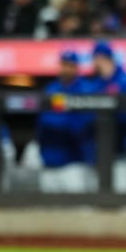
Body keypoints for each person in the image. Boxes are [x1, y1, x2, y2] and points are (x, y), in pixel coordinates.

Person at [35, 50, 98, 193]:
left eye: (70, 65)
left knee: (80, 211)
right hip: (49, 163)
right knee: (48, 212)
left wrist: (60, 118)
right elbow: (43, 121)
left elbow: (80, 125)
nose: (66, 69)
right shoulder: (52, 89)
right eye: (63, 64)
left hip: (75, 164)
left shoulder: (86, 89)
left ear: (77, 67)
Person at [90, 41, 126, 193]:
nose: (94, 63)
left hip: (122, 148)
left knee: (122, 194)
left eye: (96, 58)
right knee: (100, 197)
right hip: (99, 150)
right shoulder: (96, 83)